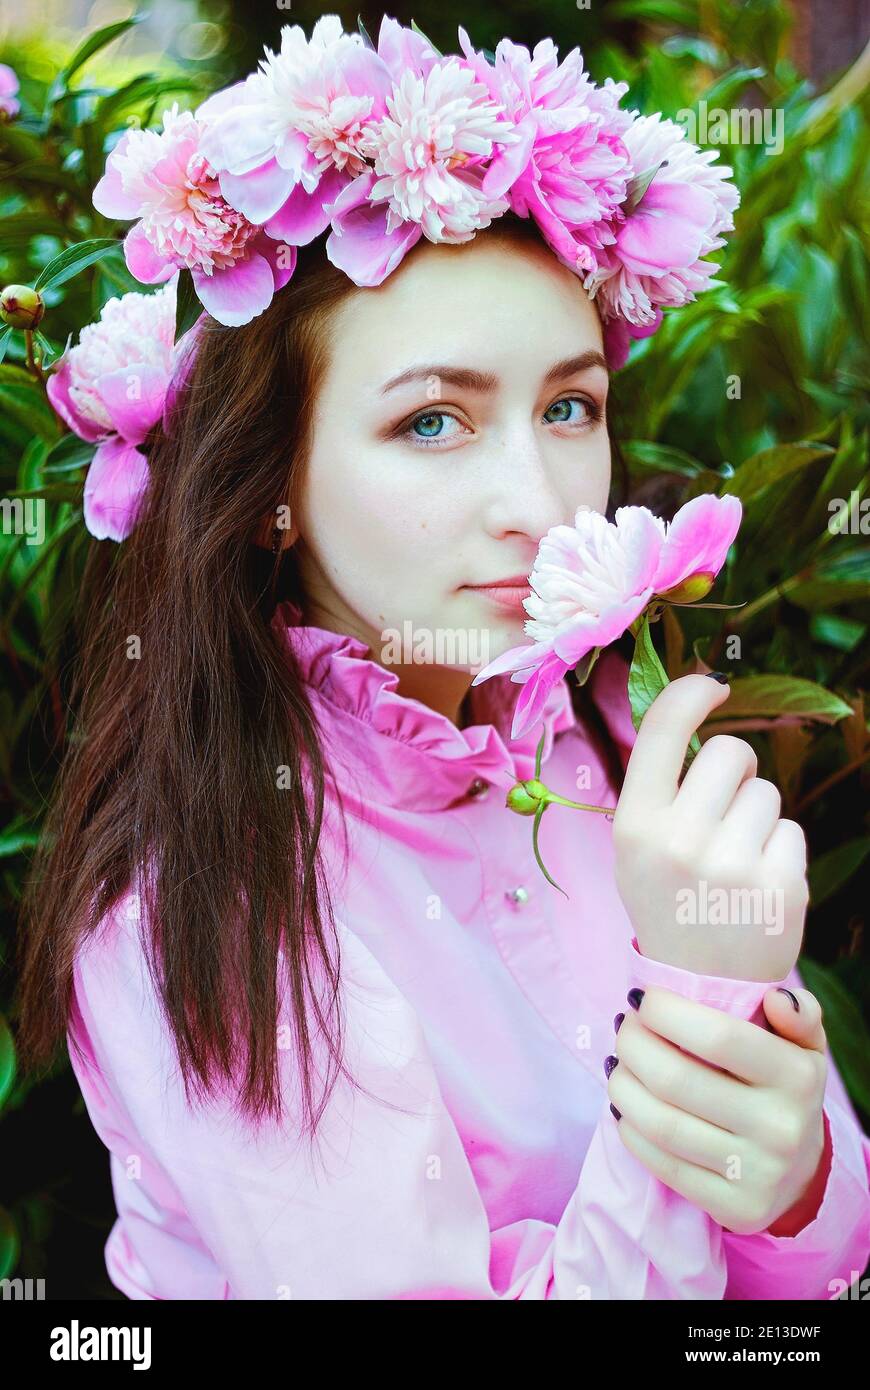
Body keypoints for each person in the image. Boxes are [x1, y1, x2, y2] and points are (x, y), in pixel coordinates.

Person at [15, 16, 870, 1300]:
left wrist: (792, 1174)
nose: (538, 497)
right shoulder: (202, 897)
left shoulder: (600, 735)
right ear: (267, 487)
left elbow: (831, 1238)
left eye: (568, 406)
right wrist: (697, 1020)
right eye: (432, 420)